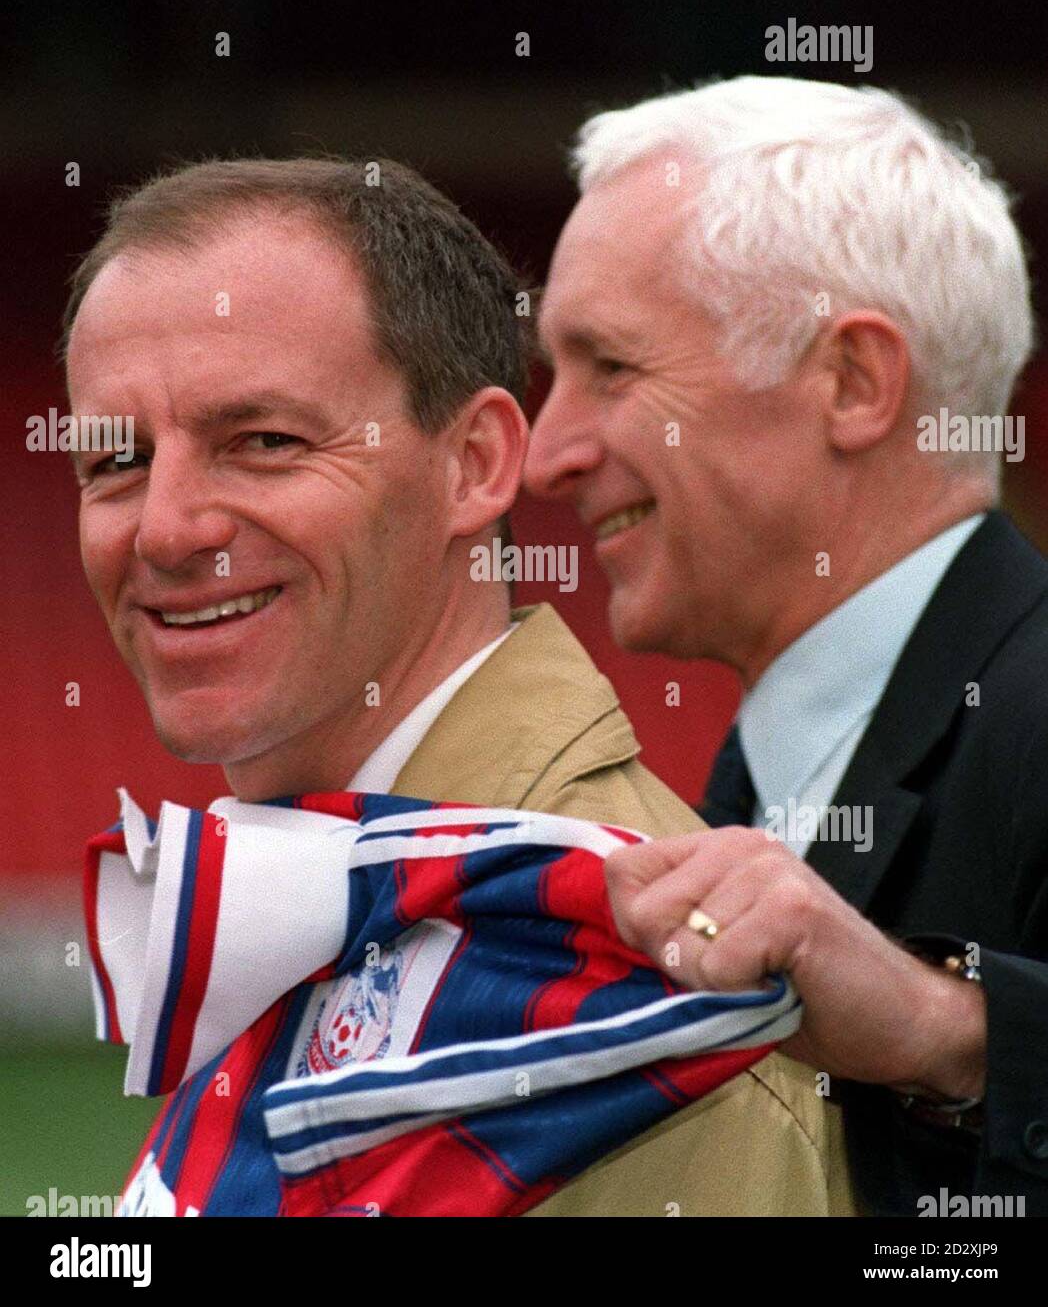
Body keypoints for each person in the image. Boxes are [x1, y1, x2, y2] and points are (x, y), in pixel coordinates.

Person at [65, 155, 851, 1216]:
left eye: (263, 441)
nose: (163, 528)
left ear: (475, 464)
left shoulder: (635, 1003)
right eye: (115, 460)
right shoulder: (326, 900)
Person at [524, 76, 1048, 1215]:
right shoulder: (755, 778)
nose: (543, 456)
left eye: (610, 367)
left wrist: (948, 1031)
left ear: (852, 382)